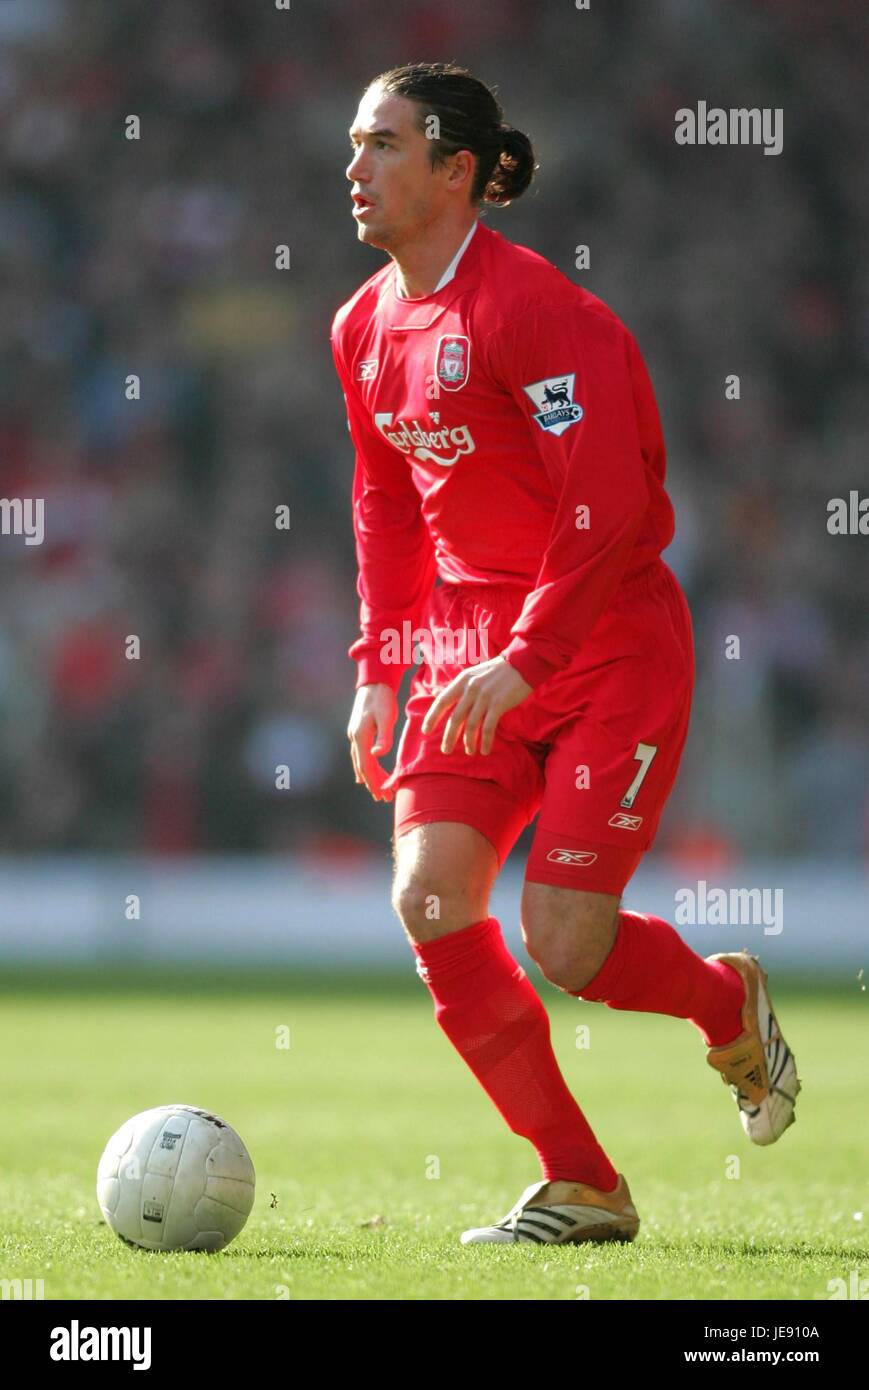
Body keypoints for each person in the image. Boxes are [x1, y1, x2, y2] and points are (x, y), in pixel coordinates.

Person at [331, 62, 800, 1246]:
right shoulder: (359, 326)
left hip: (601, 642)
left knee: (564, 945)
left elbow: (608, 500)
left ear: (456, 171)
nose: (355, 168)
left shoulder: (536, 311)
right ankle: (581, 1179)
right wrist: (379, 667)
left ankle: (721, 1002)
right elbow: (385, 504)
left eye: (383, 144)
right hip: (458, 646)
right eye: (353, 144)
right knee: (430, 895)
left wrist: (530, 656)